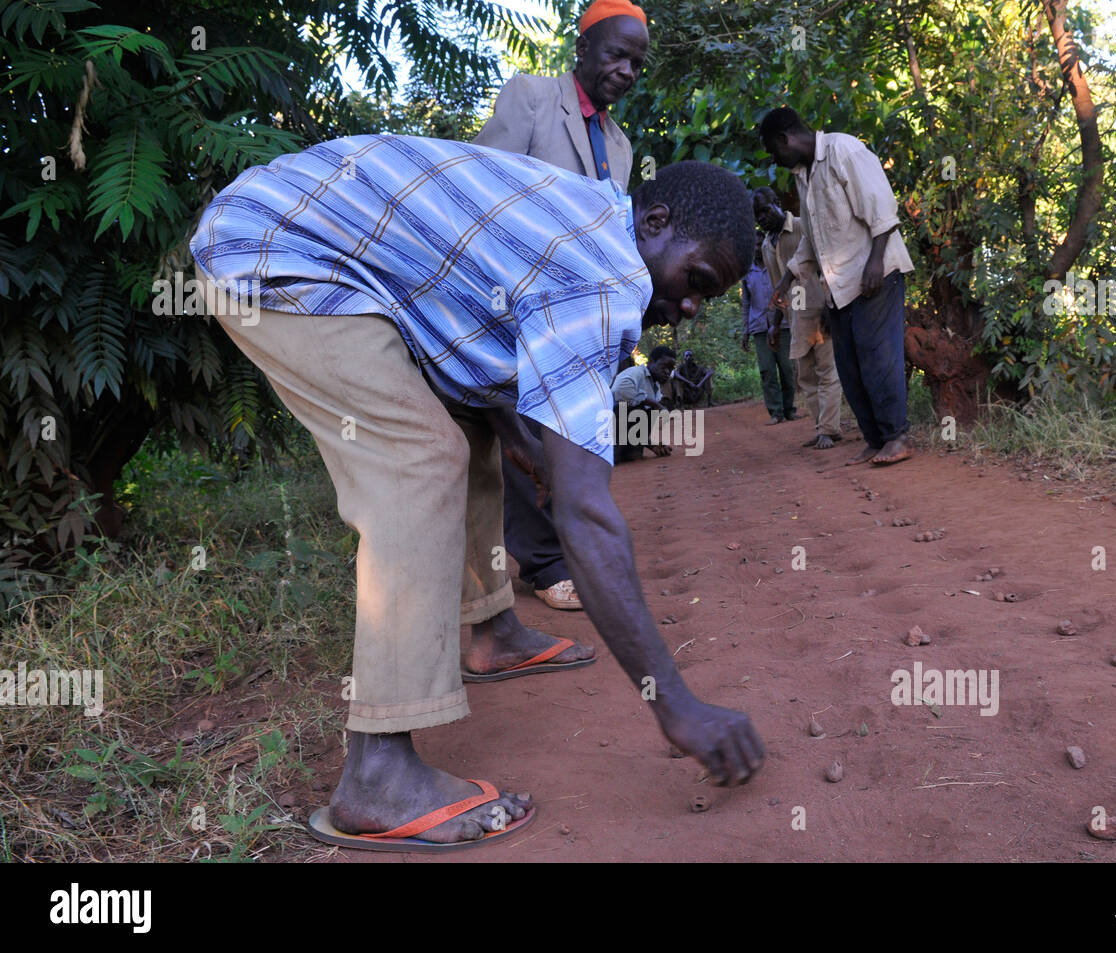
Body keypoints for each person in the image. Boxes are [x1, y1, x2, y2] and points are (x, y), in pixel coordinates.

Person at [191, 138, 764, 850]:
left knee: (471, 418)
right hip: (276, 247)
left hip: (298, 229)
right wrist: (675, 702)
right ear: (655, 222)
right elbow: (586, 513)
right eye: (696, 278)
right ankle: (377, 774)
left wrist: (517, 436)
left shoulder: (589, 223)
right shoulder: (603, 275)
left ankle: (492, 630)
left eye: (704, 297)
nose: (687, 306)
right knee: (419, 456)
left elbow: (477, 339)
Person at [471, 0, 649, 611]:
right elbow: (483, 187)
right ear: (583, 50)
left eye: (636, 62)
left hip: (574, 313)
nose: (626, 70)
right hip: (512, 293)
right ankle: (544, 564)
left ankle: (565, 547)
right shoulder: (532, 97)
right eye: (616, 54)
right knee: (518, 425)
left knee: (568, 430)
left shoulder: (619, 145)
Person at [760, 107, 914, 465]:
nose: (774, 159)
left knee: (879, 359)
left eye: (773, 150)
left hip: (876, 275)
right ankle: (875, 440)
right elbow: (813, 239)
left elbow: (883, 210)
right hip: (840, 287)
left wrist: (875, 261)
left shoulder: (844, 151)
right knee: (850, 365)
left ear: (786, 139)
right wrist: (787, 277)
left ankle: (897, 437)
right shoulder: (804, 175)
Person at [753, 186, 841, 449]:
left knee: (828, 372)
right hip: (794, 318)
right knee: (806, 377)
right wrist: (775, 325)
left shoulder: (803, 227)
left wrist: (830, 304)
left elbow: (829, 263)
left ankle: (829, 429)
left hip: (820, 309)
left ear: (778, 203)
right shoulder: (767, 244)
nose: (763, 218)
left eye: (766, 210)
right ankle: (822, 428)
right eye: (757, 216)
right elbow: (775, 287)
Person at [740, 244, 796, 425]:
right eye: (753, 245)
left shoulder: (777, 264)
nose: (756, 248)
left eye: (759, 244)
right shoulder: (747, 272)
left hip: (783, 324)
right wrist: (745, 331)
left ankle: (790, 409)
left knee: (787, 368)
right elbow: (746, 302)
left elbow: (789, 290)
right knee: (767, 370)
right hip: (759, 327)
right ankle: (775, 412)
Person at [611, 346, 676, 461]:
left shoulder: (656, 389)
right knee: (632, 408)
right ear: (651, 361)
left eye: (670, 369)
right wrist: (657, 405)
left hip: (623, 430)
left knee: (650, 412)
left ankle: (632, 450)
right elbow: (620, 390)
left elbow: (637, 424)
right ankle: (613, 451)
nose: (667, 372)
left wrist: (652, 445)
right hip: (608, 426)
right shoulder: (636, 372)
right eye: (664, 366)